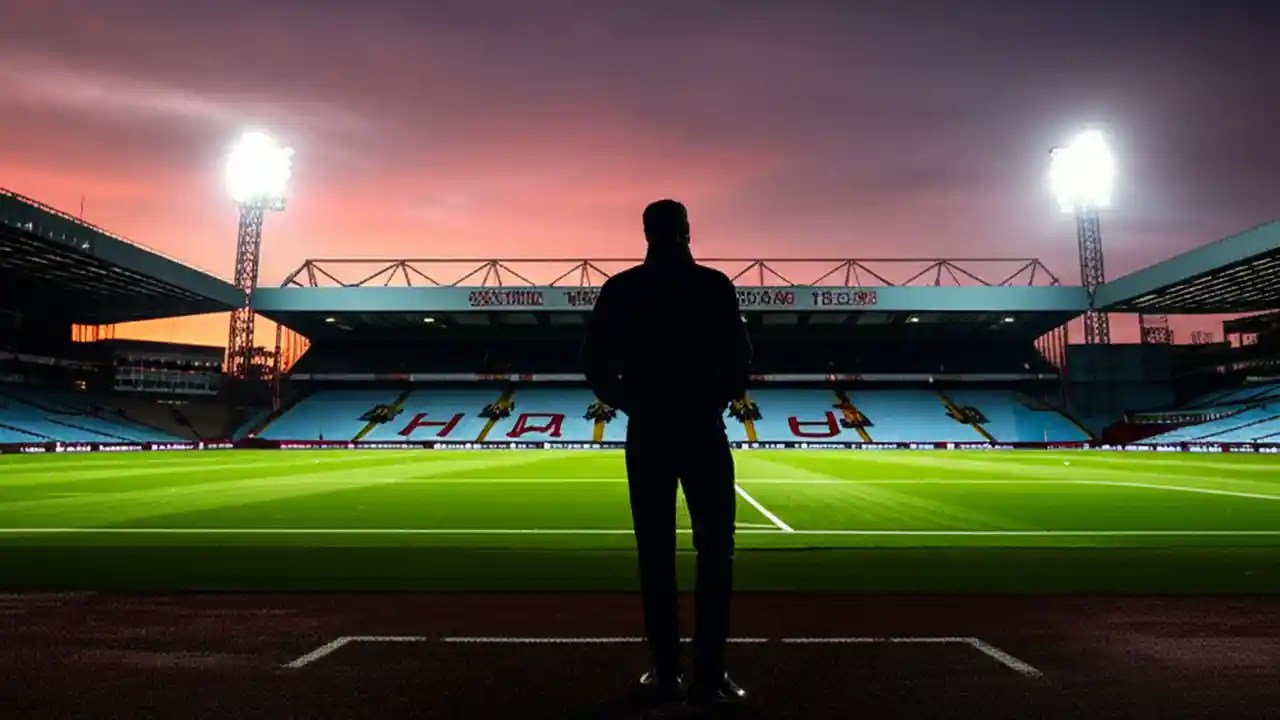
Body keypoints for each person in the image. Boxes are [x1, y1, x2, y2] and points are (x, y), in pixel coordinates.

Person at [583, 199, 752, 706]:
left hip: (649, 433)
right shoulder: (714, 286)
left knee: (655, 555)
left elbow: (592, 361)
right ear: (687, 231)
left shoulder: (622, 289)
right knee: (715, 554)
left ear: (645, 233)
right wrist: (712, 398)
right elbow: (741, 360)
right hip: (703, 431)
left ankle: (664, 673)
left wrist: (630, 401)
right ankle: (711, 674)